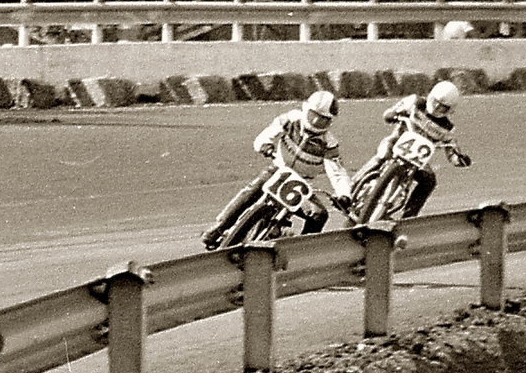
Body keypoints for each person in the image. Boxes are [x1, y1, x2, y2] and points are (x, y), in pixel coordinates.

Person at [202, 91, 353, 250]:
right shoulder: (291, 119)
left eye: (323, 119)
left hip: (301, 186)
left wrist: (344, 194)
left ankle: (299, 252)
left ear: (330, 121)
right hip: (277, 171)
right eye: (313, 115)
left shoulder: (329, 143)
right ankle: (217, 229)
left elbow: (337, 172)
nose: (316, 121)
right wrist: (265, 145)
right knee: (251, 191)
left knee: (319, 215)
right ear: (305, 109)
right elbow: (267, 134)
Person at [350, 80, 472, 218]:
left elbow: (451, 148)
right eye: (435, 102)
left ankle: (408, 216)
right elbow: (390, 112)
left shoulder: (447, 128)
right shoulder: (414, 102)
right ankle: (352, 186)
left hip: (417, 159)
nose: (437, 107)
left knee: (429, 180)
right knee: (383, 154)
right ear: (430, 96)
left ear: (450, 110)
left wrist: (458, 159)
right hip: (396, 142)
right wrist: (392, 115)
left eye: (442, 107)